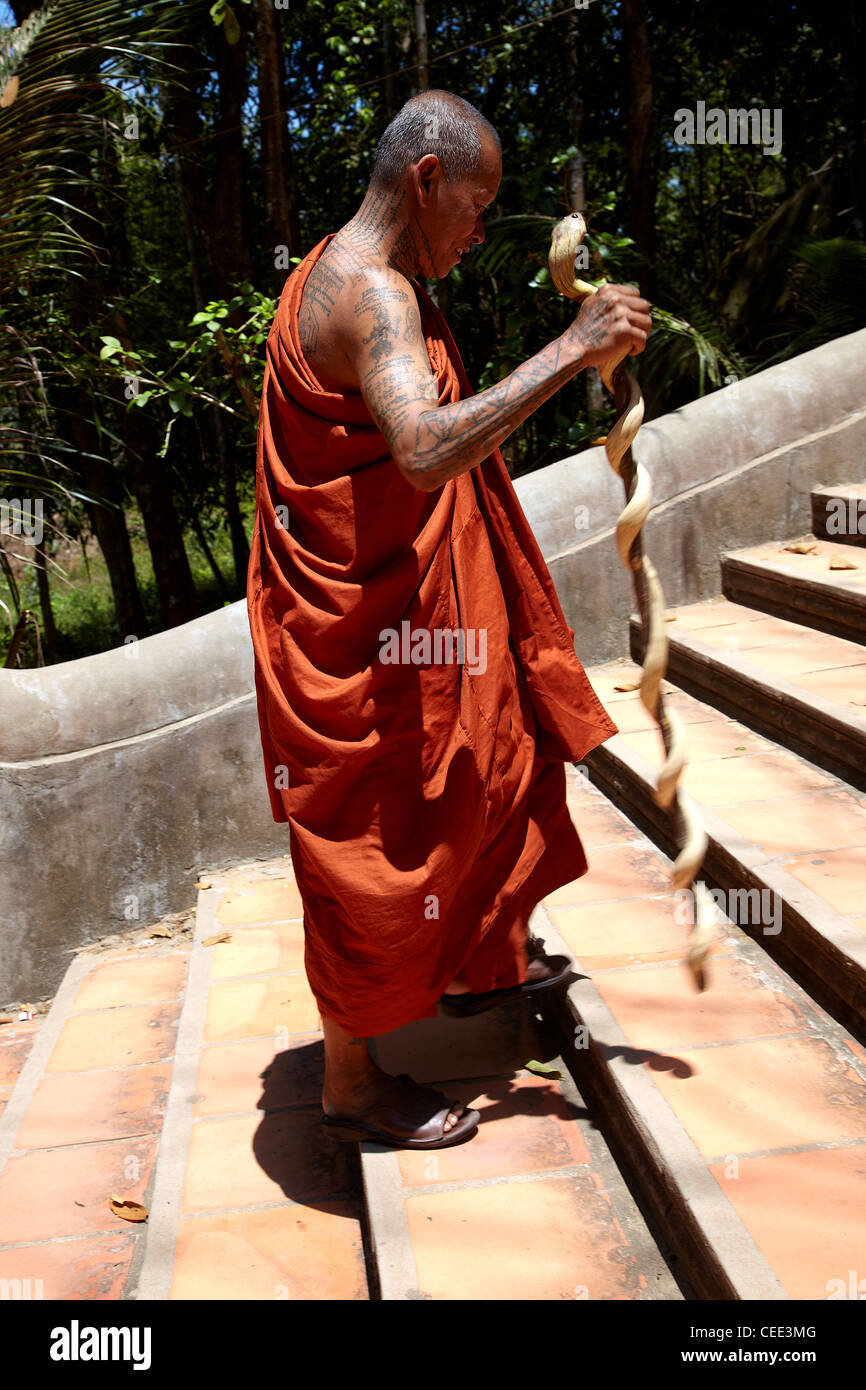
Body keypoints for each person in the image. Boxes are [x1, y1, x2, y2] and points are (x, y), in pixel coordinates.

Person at [247, 90, 651, 1150]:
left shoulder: (330, 269)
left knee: (496, 761)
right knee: (376, 849)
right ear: (426, 182)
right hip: (363, 645)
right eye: (474, 207)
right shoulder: (371, 296)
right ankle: (347, 1083)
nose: (477, 233)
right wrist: (569, 351)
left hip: (408, 617)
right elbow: (422, 450)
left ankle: (479, 965)